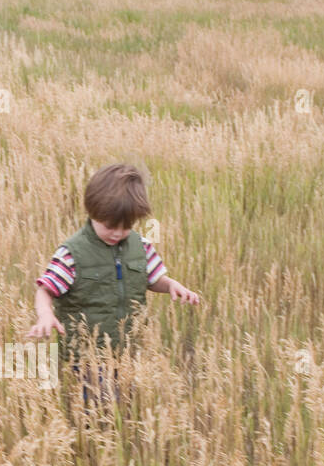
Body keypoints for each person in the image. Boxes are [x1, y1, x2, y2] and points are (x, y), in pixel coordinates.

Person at [25, 163, 200, 405]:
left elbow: (151, 279)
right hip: (88, 355)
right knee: (99, 411)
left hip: (127, 349)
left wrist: (171, 285)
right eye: (110, 226)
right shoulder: (72, 253)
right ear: (92, 212)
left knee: (125, 402)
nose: (118, 233)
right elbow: (45, 289)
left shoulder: (141, 246)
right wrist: (44, 314)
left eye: (126, 227)